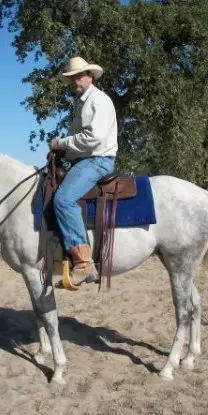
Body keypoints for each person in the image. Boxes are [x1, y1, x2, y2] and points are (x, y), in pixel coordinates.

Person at [51, 56, 118, 286]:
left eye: (79, 76)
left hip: (97, 160)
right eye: (71, 77)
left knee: (63, 200)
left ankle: (83, 264)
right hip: (85, 159)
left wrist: (61, 144)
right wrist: (62, 154)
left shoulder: (97, 100)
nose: (74, 81)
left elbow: (93, 138)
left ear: (90, 76)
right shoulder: (81, 102)